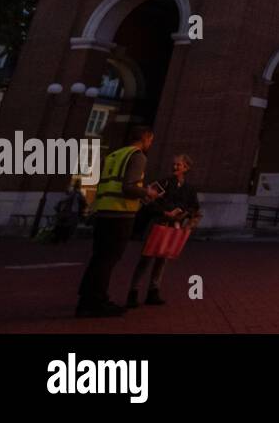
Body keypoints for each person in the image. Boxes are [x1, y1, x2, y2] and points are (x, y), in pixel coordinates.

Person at [76, 125, 160, 317]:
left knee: (98, 258)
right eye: (151, 140)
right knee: (108, 259)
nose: (150, 144)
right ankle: (96, 302)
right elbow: (129, 187)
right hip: (120, 214)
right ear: (145, 137)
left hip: (104, 211)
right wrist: (147, 192)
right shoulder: (137, 156)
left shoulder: (114, 155)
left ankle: (86, 300)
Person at [127, 153, 201, 307]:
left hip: (175, 225)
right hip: (159, 222)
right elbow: (148, 199)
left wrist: (184, 213)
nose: (174, 167)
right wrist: (164, 212)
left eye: (178, 165)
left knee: (163, 258)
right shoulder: (164, 183)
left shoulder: (190, 188)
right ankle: (133, 292)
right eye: (174, 164)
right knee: (146, 257)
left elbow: (194, 205)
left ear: (186, 168)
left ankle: (153, 291)